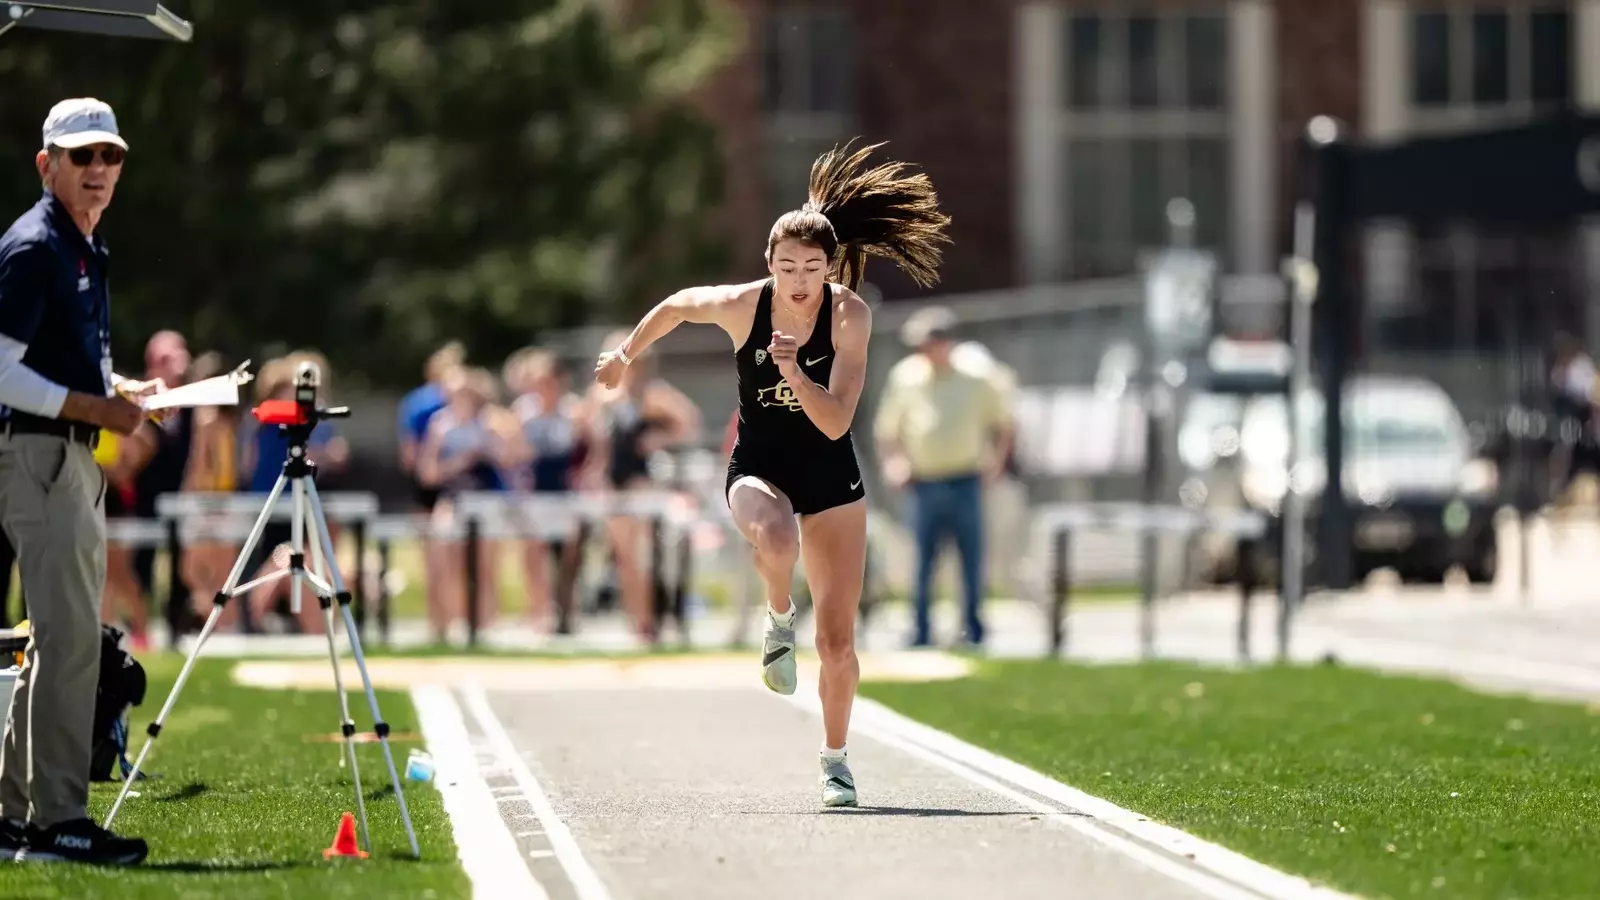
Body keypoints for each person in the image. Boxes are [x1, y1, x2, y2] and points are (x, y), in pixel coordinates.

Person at [593, 139, 950, 806]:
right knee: (777, 537)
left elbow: (836, 423)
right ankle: (778, 619)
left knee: (837, 641)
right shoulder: (744, 306)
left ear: (830, 268)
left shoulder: (849, 316)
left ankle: (835, 761)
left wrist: (793, 370)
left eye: (811, 268)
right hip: (759, 467)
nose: (798, 280)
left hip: (830, 474)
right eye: (786, 267)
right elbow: (677, 305)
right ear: (769, 265)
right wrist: (624, 355)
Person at [0, 97, 156, 864]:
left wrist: (118, 390)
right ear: (47, 165)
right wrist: (100, 408)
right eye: (82, 155)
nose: (98, 169)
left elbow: (60, 359)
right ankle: (57, 821)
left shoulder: (81, 244)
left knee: (58, 643)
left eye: (110, 156)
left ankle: (13, 812)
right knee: (67, 646)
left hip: (64, 455)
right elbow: (0, 372)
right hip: (40, 456)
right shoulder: (37, 246)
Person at [875, 306, 1013, 649]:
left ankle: (973, 629)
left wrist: (996, 464)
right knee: (923, 561)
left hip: (966, 479)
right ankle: (920, 630)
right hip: (923, 483)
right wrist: (895, 463)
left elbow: (1003, 424)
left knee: (970, 559)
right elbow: (888, 429)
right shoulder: (906, 377)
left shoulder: (977, 377)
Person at [583, 329, 700, 645]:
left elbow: (689, 422)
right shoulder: (603, 396)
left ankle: (649, 622)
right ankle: (634, 620)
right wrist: (594, 471)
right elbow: (598, 440)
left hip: (641, 481)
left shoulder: (651, 394)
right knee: (623, 557)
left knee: (643, 554)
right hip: (613, 482)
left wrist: (658, 438)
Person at [506, 349, 586, 634]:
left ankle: (567, 609)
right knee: (533, 551)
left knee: (569, 554)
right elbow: (513, 452)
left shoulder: (573, 410)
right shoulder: (523, 412)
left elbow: (587, 447)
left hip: (565, 488)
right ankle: (538, 612)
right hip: (535, 487)